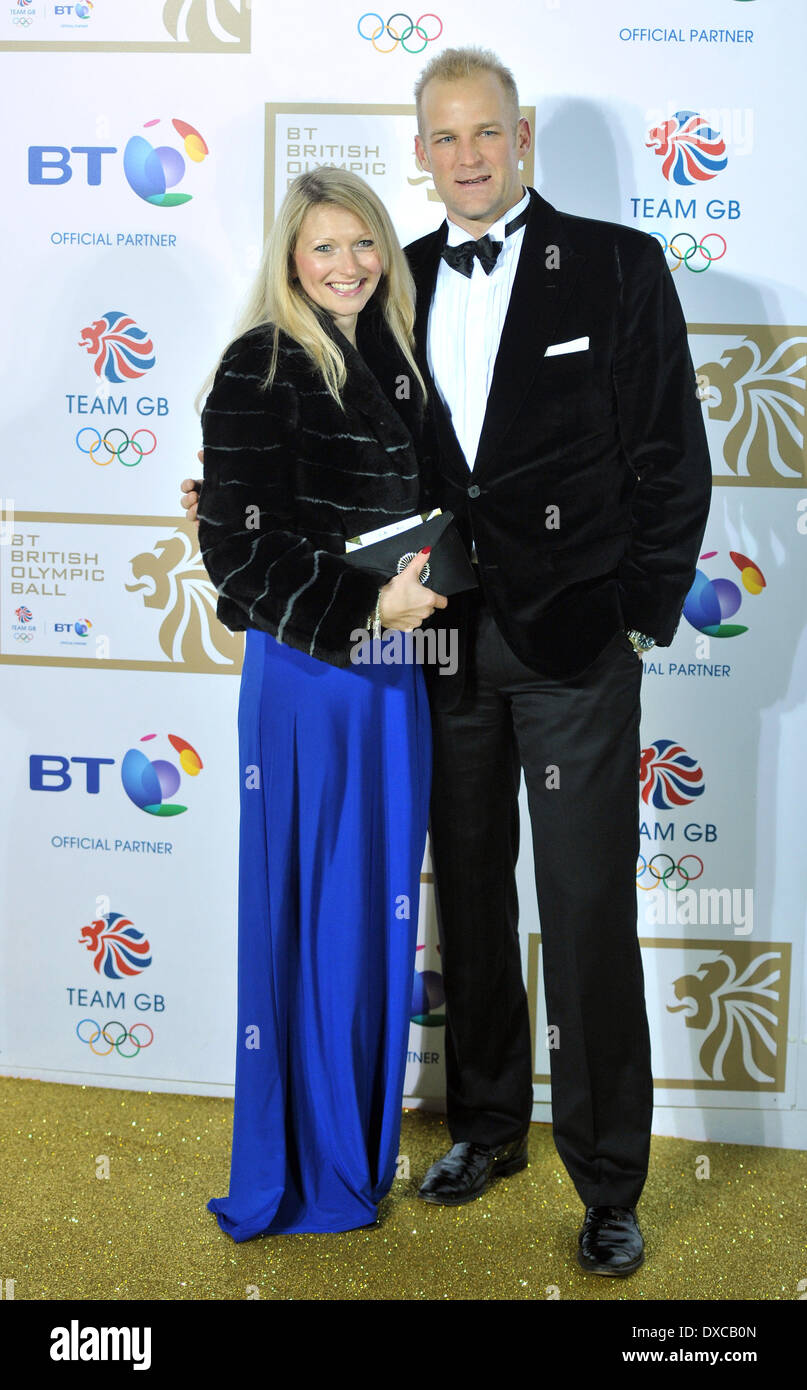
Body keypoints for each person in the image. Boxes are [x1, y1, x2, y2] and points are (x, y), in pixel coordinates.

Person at [182, 47, 712, 1275]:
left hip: (575, 649)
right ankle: (484, 1126)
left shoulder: (622, 267)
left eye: (488, 133)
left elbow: (671, 457)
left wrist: (633, 609)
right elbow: (327, 466)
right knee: (467, 900)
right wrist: (244, 557)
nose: (468, 156)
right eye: (444, 138)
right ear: (418, 151)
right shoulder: (390, 281)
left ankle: (609, 1177)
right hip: (438, 651)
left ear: (520, 137)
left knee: (583, 913)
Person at [195, 166, 446, 1239]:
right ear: (289, 261)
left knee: (375, 919)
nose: (347, 265)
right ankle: (304, 1167)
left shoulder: (396, 358)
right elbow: (235, 547)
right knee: (313, 916)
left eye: (364, 245)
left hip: (397, 677)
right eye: (323, 248)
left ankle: (356, 1152)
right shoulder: (260, 364)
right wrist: (363, 604)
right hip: (312, 681)